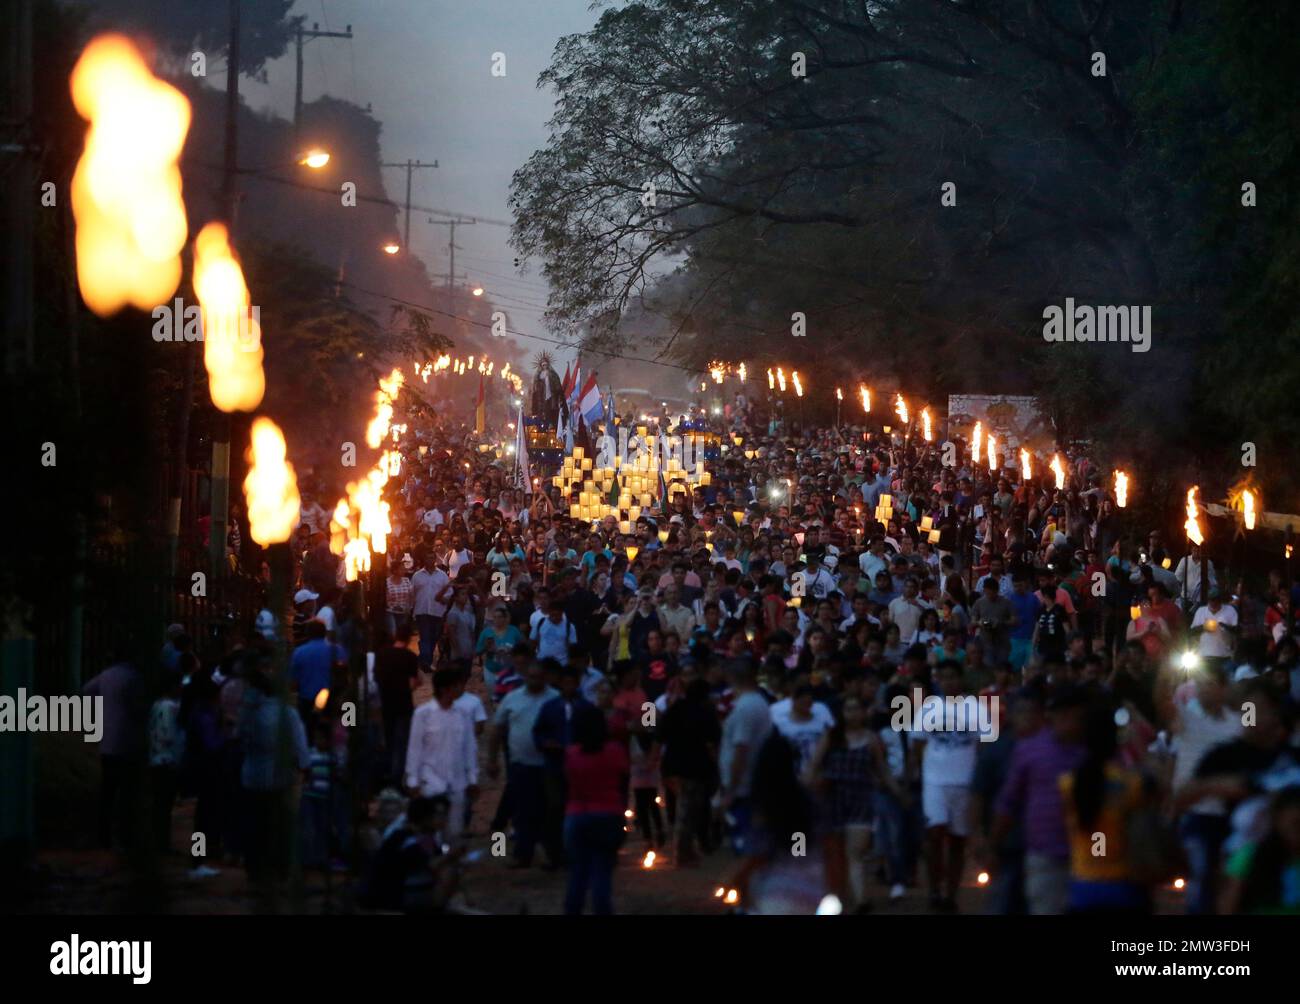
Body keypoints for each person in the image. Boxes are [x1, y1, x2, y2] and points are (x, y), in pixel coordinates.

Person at [806, 694, 891, 912]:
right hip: (832, 799)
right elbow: (814, 765)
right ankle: (840, 897)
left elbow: (882, 771)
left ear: (864, 712)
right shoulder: (831, 737)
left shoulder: (871, 739)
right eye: (848, 709)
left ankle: (860, 899)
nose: (853, 714)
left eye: (856, 709)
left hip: (860, 799)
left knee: (856, 851)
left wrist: (897, 791)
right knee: (835, 852)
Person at [488, 660, 559, 867]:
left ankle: (552, 853)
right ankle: (522, 853)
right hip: (521, 764)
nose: (534, 681)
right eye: (531, 677)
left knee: (549, 811)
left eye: (538, 677)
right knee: (523, 811)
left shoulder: (554, 699)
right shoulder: (512, 698)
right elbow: (497, 729)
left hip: (548, 764)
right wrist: (492, 760)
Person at [561, 705, 630, 914]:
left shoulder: (571, 754)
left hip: (578, 816)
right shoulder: (615, 751)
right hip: (609, 814)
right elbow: (623, 780)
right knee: (602, 873)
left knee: (578, 873)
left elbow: (567, 784)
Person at [404, 668, 480, 841]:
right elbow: (414, 749)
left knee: (454, 831)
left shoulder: (463, 714)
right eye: (457, 686)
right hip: (431, 782)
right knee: (432, 832)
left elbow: (469, 748)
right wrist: (413, 781)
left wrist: (473, 779)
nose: (462, 689)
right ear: (445, 689)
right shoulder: (423, 714)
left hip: (458, 783)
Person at [717, 658, 774, 853]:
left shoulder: (746, 707)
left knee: (745, 845)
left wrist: (731, 789)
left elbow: (741, 750)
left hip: (744, 787)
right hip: (753, 782)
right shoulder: (758, 702)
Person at [411, 551, 453, 671]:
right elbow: (412, 593)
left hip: (437, 610)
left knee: (434, 637)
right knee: (425, 636)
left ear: (435, 559)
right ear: (424, 559)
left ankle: (424, 657)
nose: (430, 560)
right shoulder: (417, 576)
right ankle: (426, 661)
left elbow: (449, 594)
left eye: (431, 558)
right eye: (427, 557)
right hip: (422, 610)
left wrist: (443, 600)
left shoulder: (442, 576)